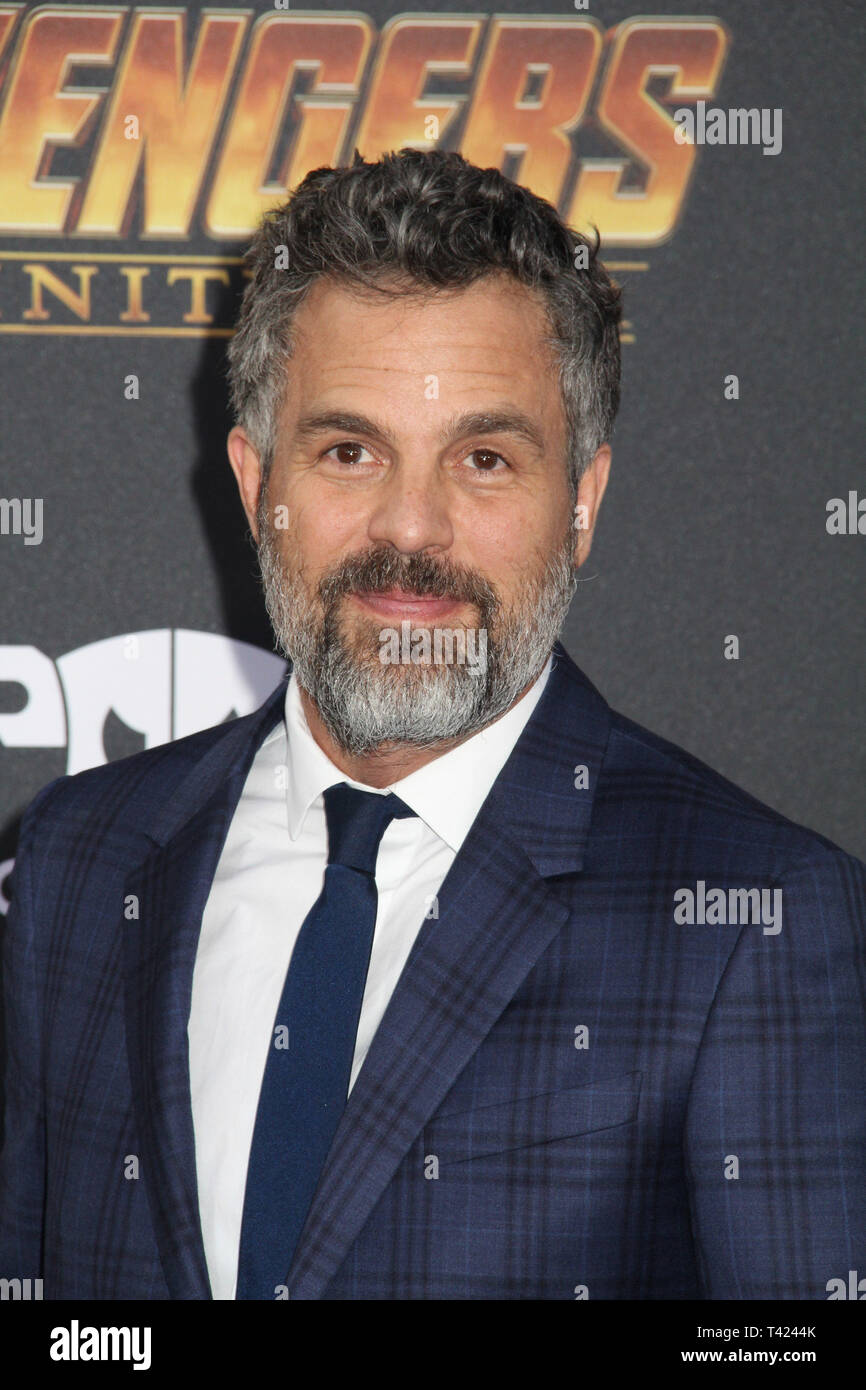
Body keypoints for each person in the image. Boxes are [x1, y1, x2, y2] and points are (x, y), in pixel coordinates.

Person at [1, 148, 863, 1301]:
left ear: (582, 503)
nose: (411, 529)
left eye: (484, 457)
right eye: (349, 450)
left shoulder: (753, 916)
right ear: (259, 483)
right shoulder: (77, 859)